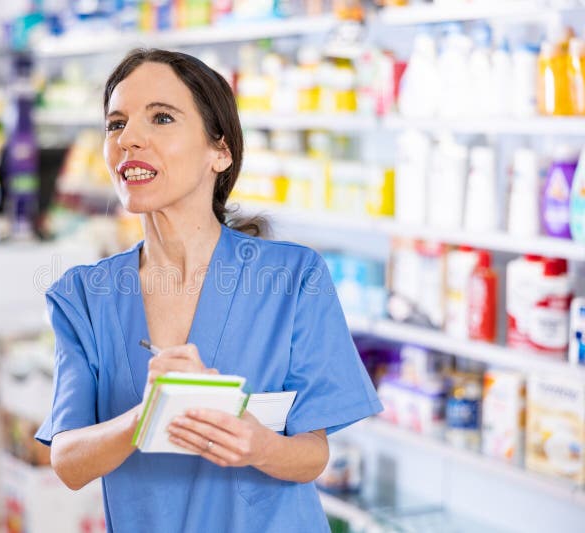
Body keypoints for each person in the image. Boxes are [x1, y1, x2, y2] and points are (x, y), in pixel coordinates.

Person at [35, 48, 383, 533]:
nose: (128, 138)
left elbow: (313, 455)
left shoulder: (293, 278)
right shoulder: (84, 297)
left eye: (161, 118)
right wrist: (148, 415)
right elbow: (69, 462)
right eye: (116, 124)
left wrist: (258, 445)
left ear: (220, 151)